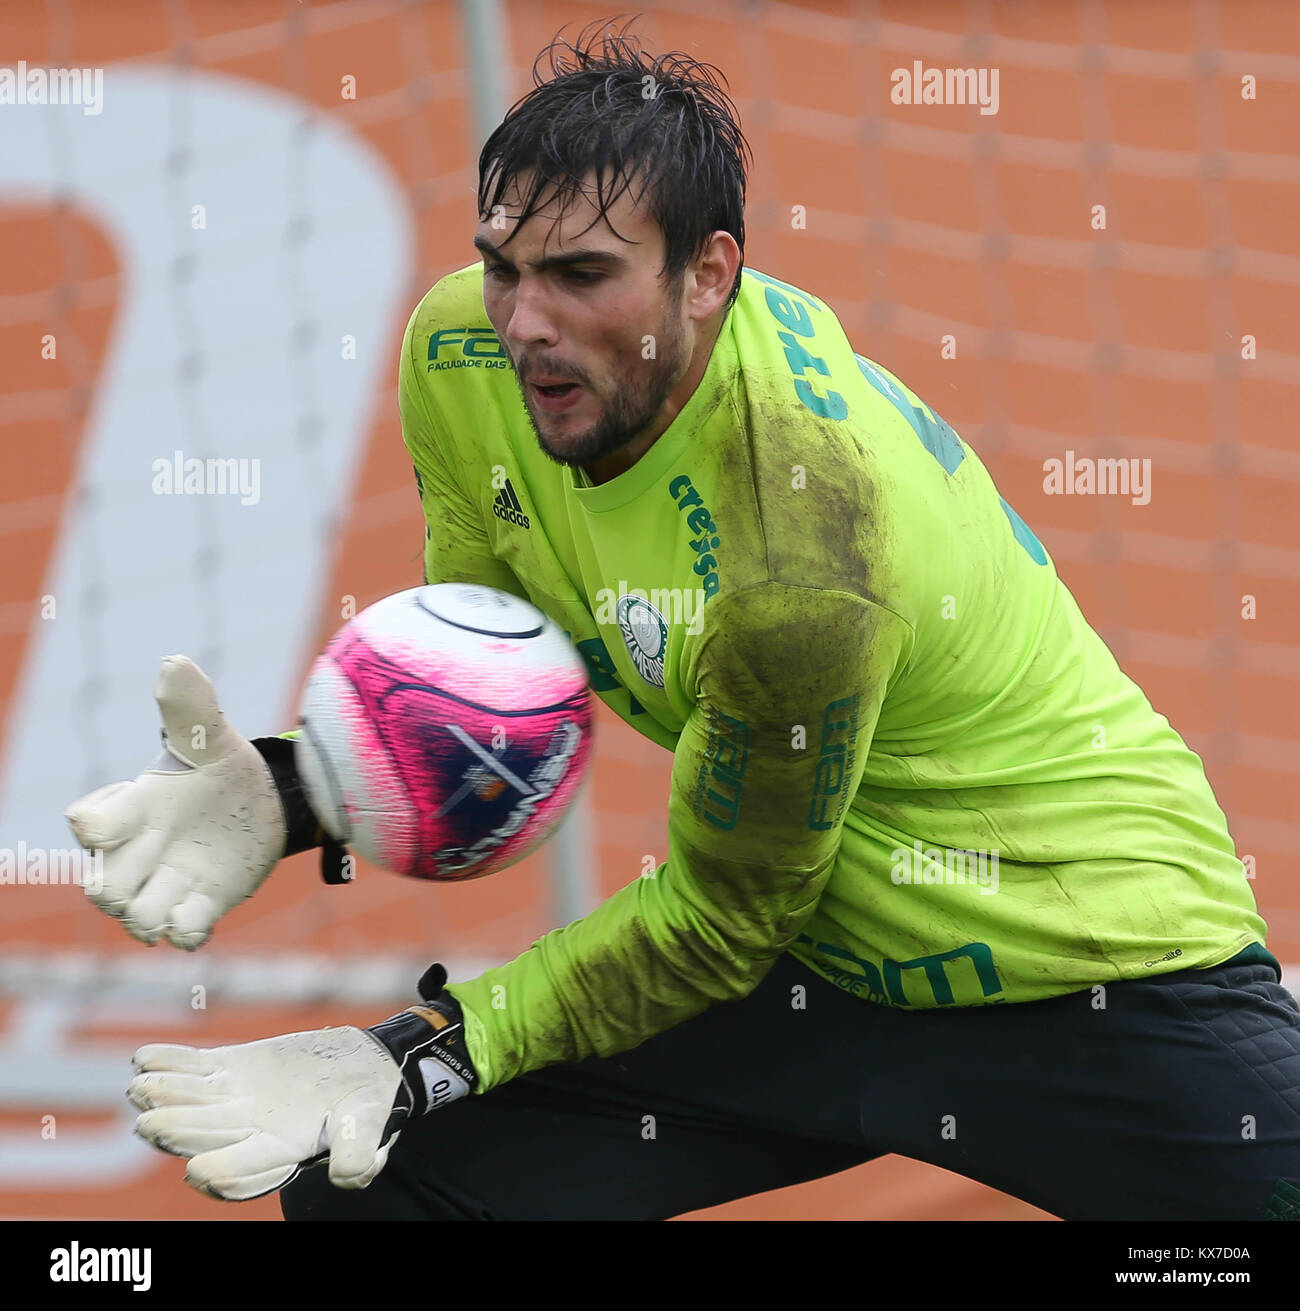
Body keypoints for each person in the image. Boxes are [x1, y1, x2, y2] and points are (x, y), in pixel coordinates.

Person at [65, 22, 1300, 1222]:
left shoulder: (800, 567)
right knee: (377, 1182)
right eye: (506, 265)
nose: (526, 322)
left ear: (708, 274)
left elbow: (716, 923)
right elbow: (489, 657)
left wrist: (417, 1045)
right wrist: (300, 790)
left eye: (583, 276)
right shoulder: (461, 355)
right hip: (810, 965)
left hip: (1083, 972)